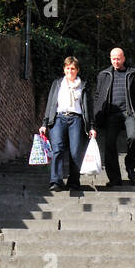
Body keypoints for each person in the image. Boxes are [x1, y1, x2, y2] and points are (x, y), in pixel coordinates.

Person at [93, 47, 135, 187]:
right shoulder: (104, 75)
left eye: (118, 58)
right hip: (111, 114)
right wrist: (95, 117)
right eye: (113, 59)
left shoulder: (134, 74)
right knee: (109, 144)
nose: (116, 61)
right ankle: (114, 178)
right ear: (110, 58)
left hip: (129, 113)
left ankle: (130, 165)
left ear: (124, 58)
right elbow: (98, 97)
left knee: (133, 137)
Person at [39, 56, 96, 190]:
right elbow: (50, 104)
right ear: (64, 69)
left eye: (73, 68)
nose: (70, 71)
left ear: (77, 70)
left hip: (76, 119)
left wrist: (92, 126)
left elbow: (89, 107)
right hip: (59, 118)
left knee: (75, 151)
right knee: (57, 148)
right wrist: (44, 123)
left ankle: (74, 182)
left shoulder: (83, 86)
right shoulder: (58, 84)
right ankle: (56, 181)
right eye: (67, 68)